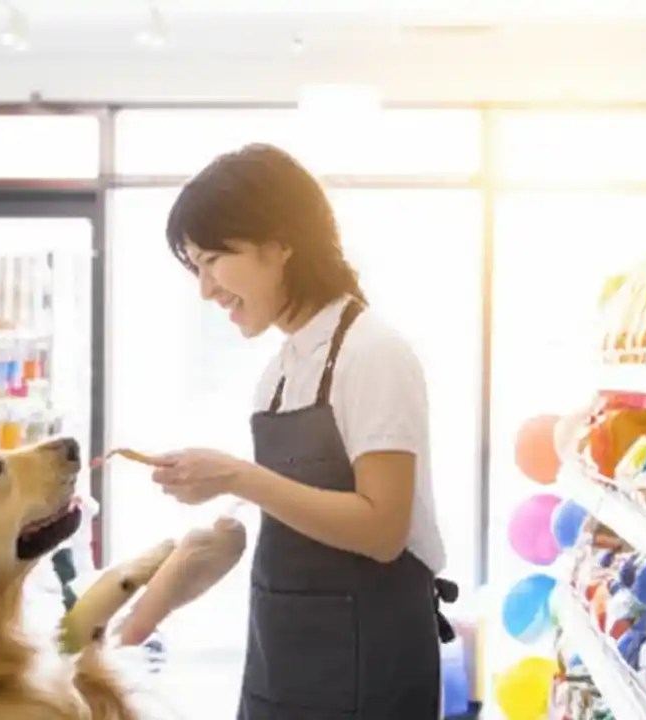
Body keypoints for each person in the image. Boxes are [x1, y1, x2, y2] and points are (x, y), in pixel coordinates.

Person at [149, 143, 455, 719]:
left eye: (214, 258)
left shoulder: (373, 352)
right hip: (283, 657)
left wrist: (237, 476)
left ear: (282, 243)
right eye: (196, 265)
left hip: (368, 668)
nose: (206, 288)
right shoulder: (279, 373)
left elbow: (383, 528)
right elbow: (289, 516)